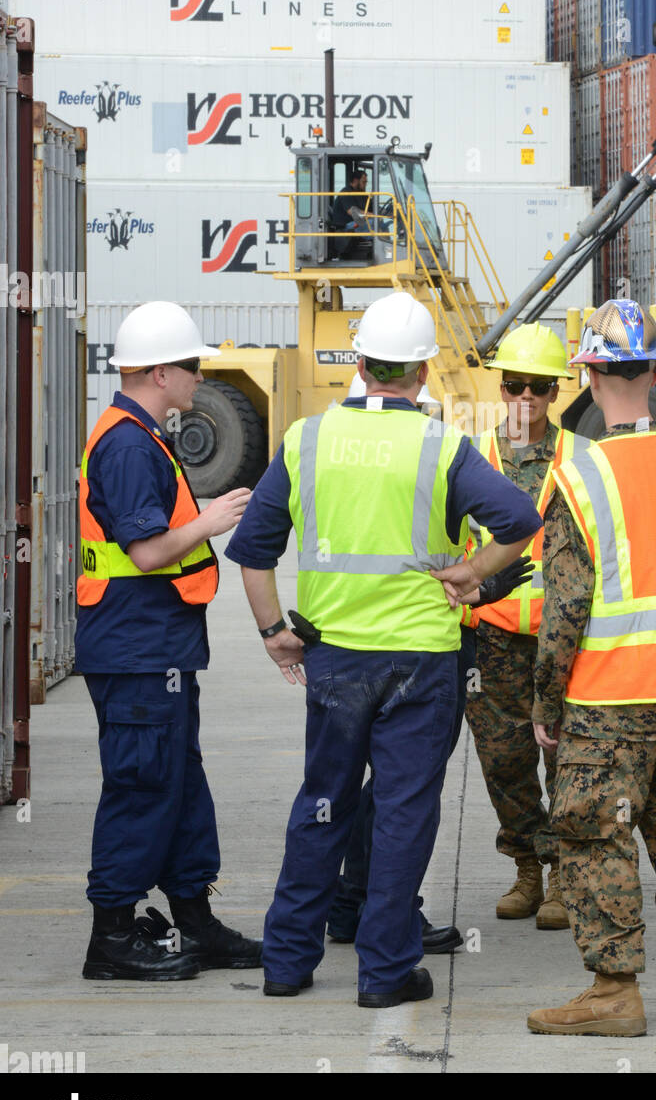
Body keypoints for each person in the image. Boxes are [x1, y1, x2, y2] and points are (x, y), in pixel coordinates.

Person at [224, 291, 542, 1004]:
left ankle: (285, 964)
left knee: (323, 804)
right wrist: (475, 572)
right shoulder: (441, 445)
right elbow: (520, 519)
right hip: (420, 662)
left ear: (359, 362)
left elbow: (251, 552)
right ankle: (385, 972)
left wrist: (276, 634)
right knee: (402, 813)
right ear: (423, 373)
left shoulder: (305, 441)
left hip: (335, 660)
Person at [527, 300, 656, 1036]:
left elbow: (564, 612)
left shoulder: (578, 480)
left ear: (585, 373)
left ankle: (614, 993)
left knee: (595, 838)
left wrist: (545, 707)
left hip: (605, 702)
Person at [76, 301, 262, 981]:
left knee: (179, 783)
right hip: (134, 650)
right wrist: (211, 522)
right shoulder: (128, 444)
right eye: (192, 366)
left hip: (158, 650)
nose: (198, 377)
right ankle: (113, 936)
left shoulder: (141, 434)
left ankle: (194, 919)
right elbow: (149, 552)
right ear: (159, 372)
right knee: (142, 785)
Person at [463, 323, 589, 930]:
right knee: (504, 761)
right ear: (501, 388)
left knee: (565, 759)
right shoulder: (471, 457)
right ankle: (527, 867)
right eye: (514, 386)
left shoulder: (582, 458)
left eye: (537, 388)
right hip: (491, 640)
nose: (524, 399)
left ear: (555, 393)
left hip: (562, 641)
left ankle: (565, 874)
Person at [329, 168, 372, 259]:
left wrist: (386, 213)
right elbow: (352, 212)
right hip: (346, 225)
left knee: (377, 221)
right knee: (373, 223)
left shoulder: (361, 194)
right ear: (356, 181)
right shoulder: (346, 192)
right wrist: (371, 215)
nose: (365, 184)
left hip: (356, 223)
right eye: (364, 182)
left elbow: (371, 208)